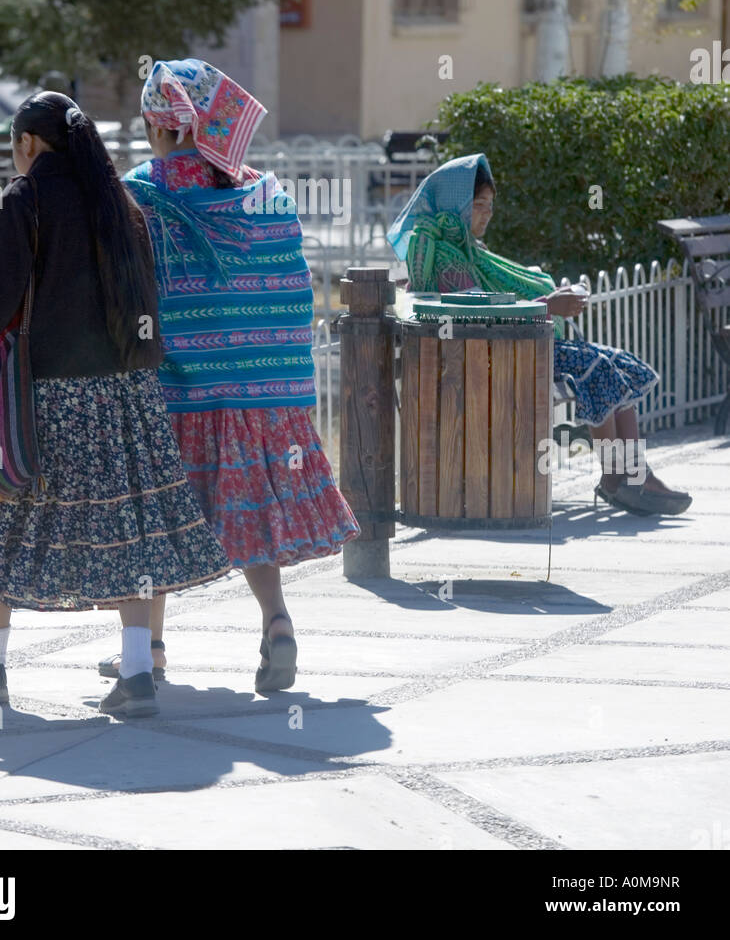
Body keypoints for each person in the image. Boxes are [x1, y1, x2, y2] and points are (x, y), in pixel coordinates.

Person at [0, 92, 231, 719]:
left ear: (27, 144)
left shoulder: (25, 202)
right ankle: (136, 676)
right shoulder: (120, 205)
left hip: (43, 395)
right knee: (126, 528)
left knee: (3, 513)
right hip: (122, 395)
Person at [97, 59, 360, 692]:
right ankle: (277, 623)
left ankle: (150, 649)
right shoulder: (264, 193)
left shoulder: (139, 192)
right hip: (258, 392)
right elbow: (289, 284)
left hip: (175, 391)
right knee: (255, 513)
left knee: (155, 517)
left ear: (161, 124)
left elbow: (123, 286)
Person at [387, 153, 692, 517]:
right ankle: (617, 480)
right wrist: (549, 305)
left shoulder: (465, 247)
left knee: (618, 363)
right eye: (479, 205)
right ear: (456, 204)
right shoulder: (444, 255)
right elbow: (477, 313)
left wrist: (550, 303)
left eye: (490, 206)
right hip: (496, 355)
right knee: (598, 366)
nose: (487, 213)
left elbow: (492, 302)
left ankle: (634, 474)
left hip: (520, 344)